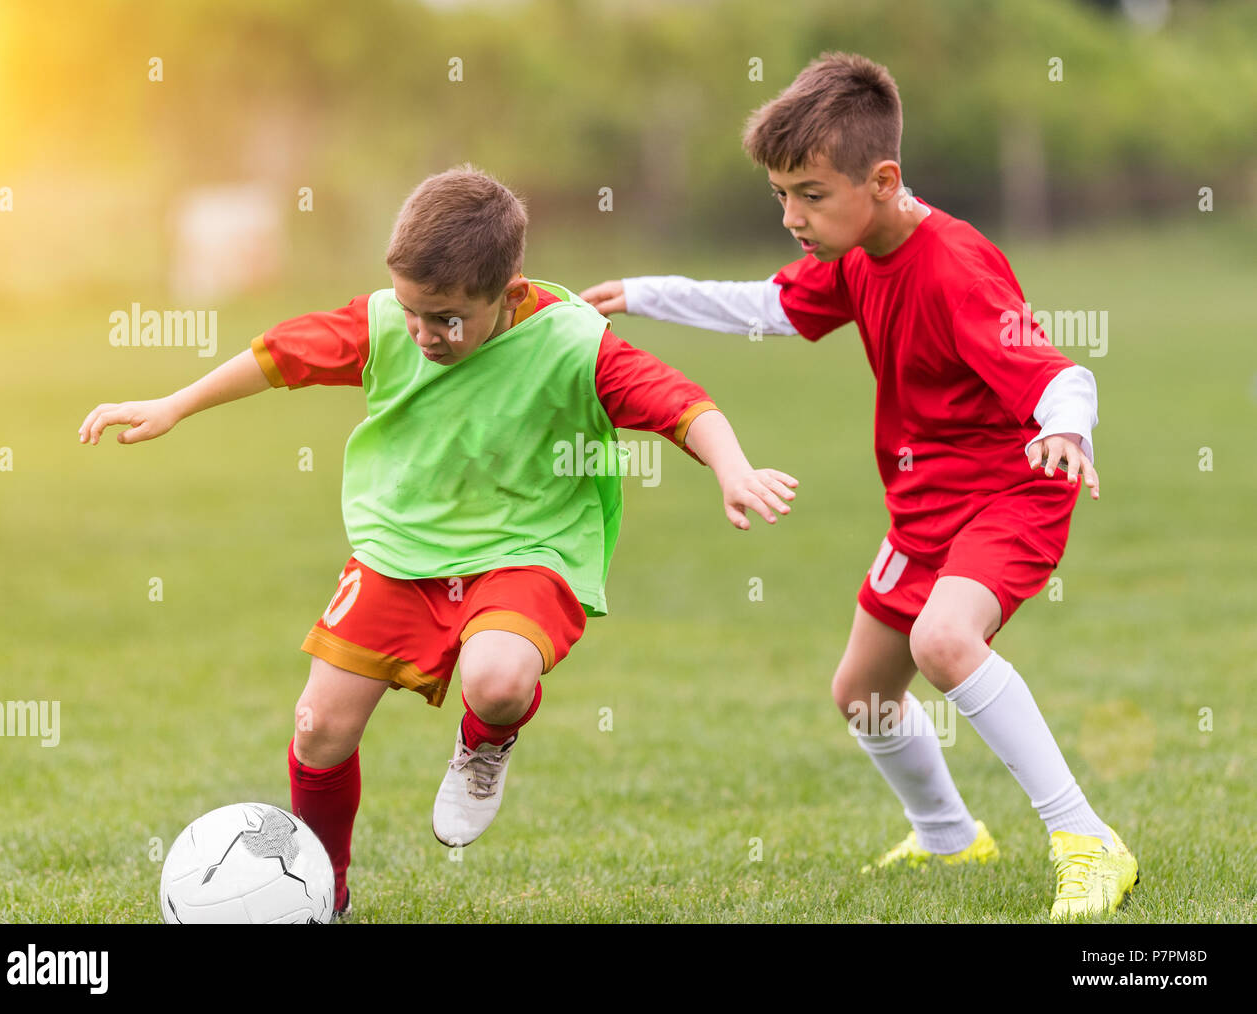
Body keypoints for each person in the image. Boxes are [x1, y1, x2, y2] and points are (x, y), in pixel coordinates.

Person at [78, 166, 798, 919]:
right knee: (319, 726)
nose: (425, 333)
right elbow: (279, 355)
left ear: (510, 294)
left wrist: (734, 468)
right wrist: (174, 404)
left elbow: (679, 402)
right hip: (402, 547)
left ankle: (484, 746)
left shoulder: (572, 341)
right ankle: (326, 894)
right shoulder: (389, 319)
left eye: (449, 317)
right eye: (415, 311)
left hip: (526, 547)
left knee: (498, 680)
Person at [580, 53, 1136, 920]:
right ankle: (950, 838)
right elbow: (767, 308)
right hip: (925, 510)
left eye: (809, 193)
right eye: (780, 196)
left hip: (1009, 493)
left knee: (945, 644)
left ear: (883, 179)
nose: (792, 216)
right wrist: (642, 293)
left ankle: (1086, 840)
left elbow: (1060, 371)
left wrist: (1066, 429)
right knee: (863, 696)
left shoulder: (954, 265)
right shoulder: (855, 251)